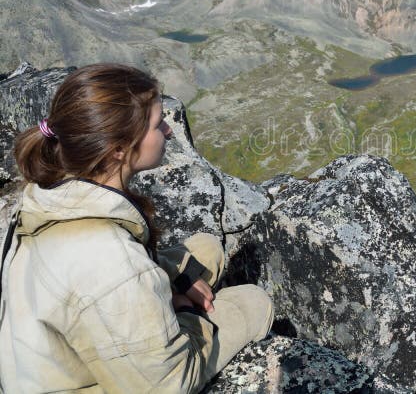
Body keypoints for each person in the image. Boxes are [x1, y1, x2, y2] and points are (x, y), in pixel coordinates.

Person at [0, 63, 273, 393]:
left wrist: (172, 286)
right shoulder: (115, 263)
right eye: (158, 125)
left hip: (46, 356)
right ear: (118, 149)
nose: (169, 132)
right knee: (254, 303)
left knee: (206, 248)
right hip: (85, 381)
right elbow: (167, 385)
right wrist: (187, 315)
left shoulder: (48, 190)